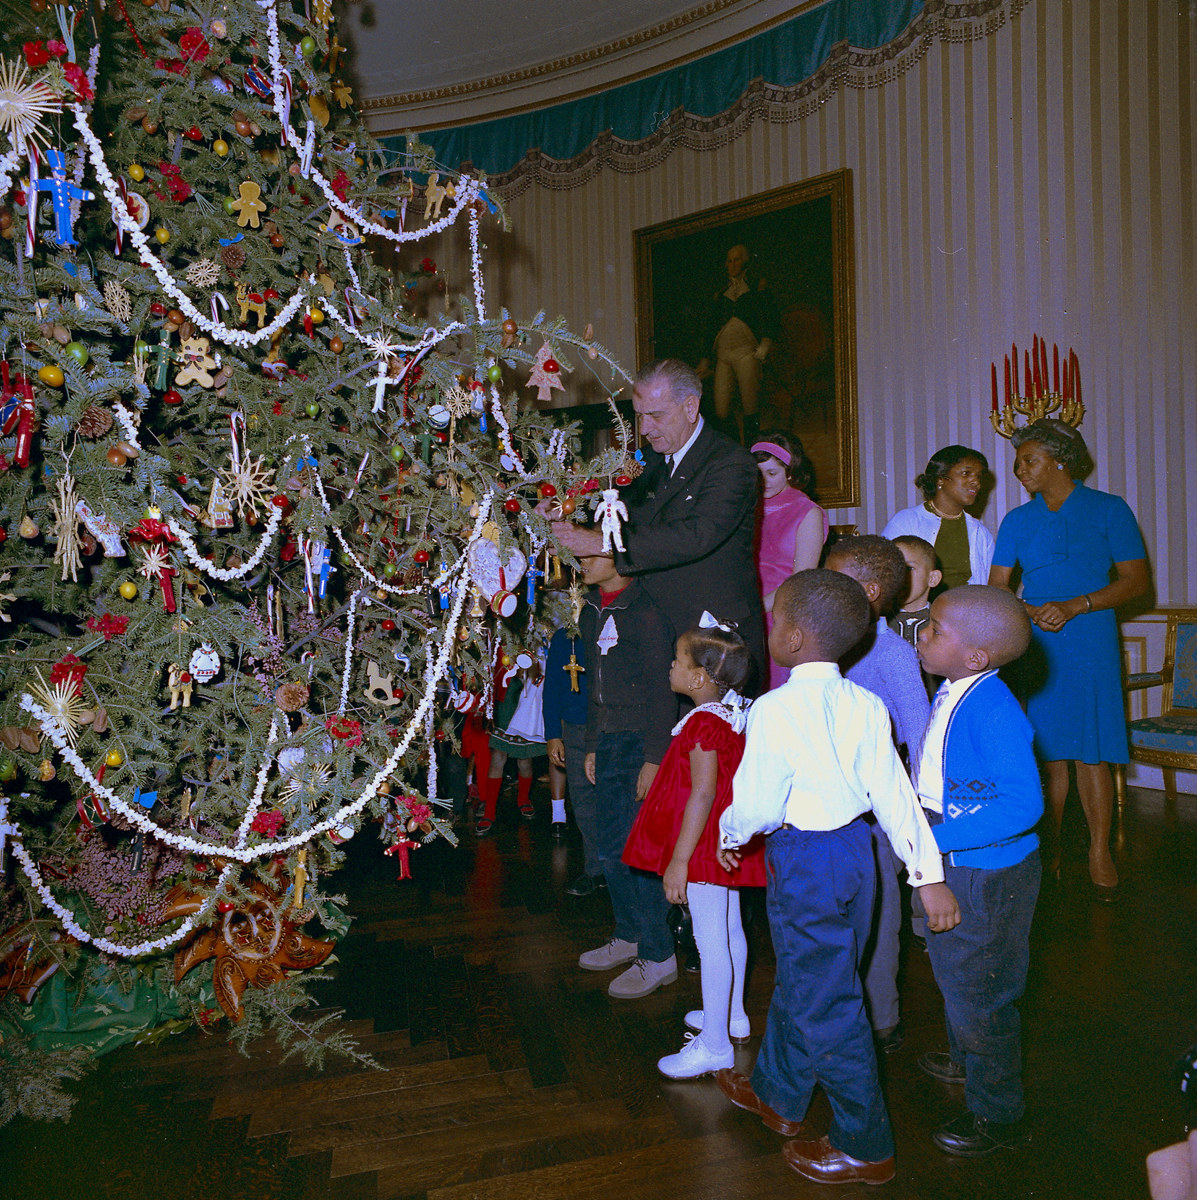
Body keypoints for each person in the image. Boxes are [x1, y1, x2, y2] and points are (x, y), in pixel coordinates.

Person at [715, 569, 959, 1187]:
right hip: (859, 854)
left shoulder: (772, 710)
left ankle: (864, 1142)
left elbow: (760, 802)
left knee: (828, 1000)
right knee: (817, 975)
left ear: (793, 638)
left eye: (776, 622)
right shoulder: (866, 703)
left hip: (805, 861)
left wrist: (730, 834)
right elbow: (894, 795)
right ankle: (778, 1092)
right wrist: (925, 874)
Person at [989, 418, 1149, 898]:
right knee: (1049, 757)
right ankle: (1051, 850)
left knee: (1092, 754)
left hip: (1091, 637)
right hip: (1037, 644)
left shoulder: (1108, 509)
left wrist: (1076, 605)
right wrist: (1026, 609)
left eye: (1029, 460)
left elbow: (1136, 582)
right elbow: (999, 587)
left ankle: (1098, 851)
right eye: (1017, 463)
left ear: (1061, 459)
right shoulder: (1017, 520)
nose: (1020, 471)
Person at [913, 585, 1043, 1156]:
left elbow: (1022, 805)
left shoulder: (992, 709)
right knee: (954, 968)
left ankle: (998, 1112)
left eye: (936, 628)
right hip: (958, 857)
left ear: (975, 656)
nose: (922, 633)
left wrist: (932, 838)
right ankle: (964, 1056)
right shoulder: (957, 688)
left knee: (981, 992)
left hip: (985, 874)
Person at [549, 358, 766, 688]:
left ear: (690, 407)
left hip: (715, 642)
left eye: (656, 415)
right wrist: (558, 507)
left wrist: (598, 543)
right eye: (638, 415)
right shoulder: (646, 462)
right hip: (656, 637)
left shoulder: (731, 464)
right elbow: (604, 503)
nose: (645, 428)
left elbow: (695, 535)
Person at [622, 616, 765, 1079]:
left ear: (699, 678)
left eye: (678, 661)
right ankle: (732, 1014)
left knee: (710, 941)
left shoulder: (702, 723)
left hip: (703, 846)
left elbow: (702, 792)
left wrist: (680, 861)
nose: (671, 666)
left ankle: (715, 1044)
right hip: (727, 837)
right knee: (730, 929)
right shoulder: (731, 714)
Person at [825, 535, 931, 1054]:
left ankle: (882, 1014)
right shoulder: (827, 645)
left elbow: (920, 729)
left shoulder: (891, 653)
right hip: (827, 806)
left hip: (875, 811)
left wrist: (911, 812)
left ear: (870, 591)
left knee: (881, 913)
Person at [575, 553, 679, 999]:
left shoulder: (648, 613)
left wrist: (655, 758)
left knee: (637, 851)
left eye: (590, 554)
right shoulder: (590, 610)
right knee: (610, 846)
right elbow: (595, 687)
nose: (579, 561)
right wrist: (595, 743)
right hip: (610, 739)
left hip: (641, 742)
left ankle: (659, 954)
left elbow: (663, 692)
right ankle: (630, 934)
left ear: (622, 558)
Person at [752, 431, 828, 691]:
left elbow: (800, 578)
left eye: (772, 473)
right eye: (758, 473)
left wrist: (758, 608)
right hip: (746, 608)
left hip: (781, 614)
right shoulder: (745, 507)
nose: (764, 481)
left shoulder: (807, 512)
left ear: (790, 472)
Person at [695, 243, 781, 445]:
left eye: (737, 259)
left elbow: (770, 316)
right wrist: (706, 360)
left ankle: (753, 450)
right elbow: (711, 327)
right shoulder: (720, 291)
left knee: (750, 405)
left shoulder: (757, 286)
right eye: (730, 260)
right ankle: (733, 451)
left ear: (746, 261)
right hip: (724, 355)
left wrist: (766, 342)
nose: (732, 264)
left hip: (746, 353)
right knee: (721, 409)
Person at [882, 445, 994, 590]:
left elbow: (988, 586)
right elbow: (885, 575)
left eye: (978, 476)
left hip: (968, 609)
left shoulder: (980, 533)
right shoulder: (906, 522)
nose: (976, 482)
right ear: (940, 479)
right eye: (966, 473)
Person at [475, 651, 545, 836]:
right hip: (505, 699)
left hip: (527, 698)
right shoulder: (498, 637)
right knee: (498, 756)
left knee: (524, 759)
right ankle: (489, 812)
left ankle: (523, 799)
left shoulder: (533, 631)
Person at [889, 533, 944, 699]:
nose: (897, 577)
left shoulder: (944, 623)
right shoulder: (877, 624)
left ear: (932, 578)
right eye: (889, 569)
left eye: (907, 569)